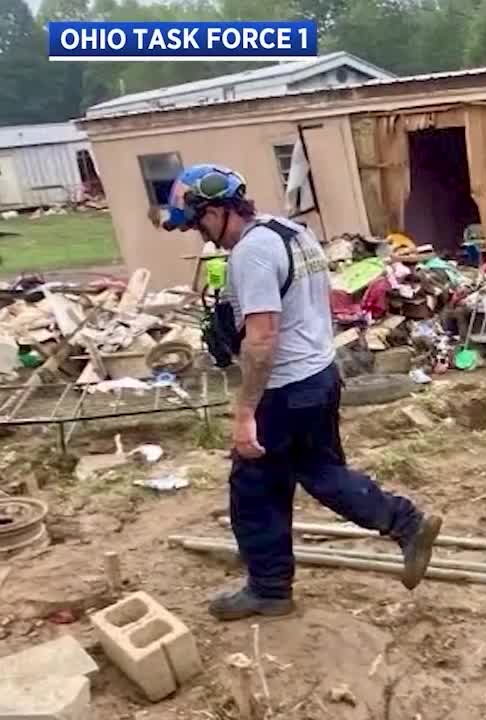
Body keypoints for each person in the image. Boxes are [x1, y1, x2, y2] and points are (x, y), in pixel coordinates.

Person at [161, 163, 444, 621]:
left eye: (199, 223)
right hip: (319, 374)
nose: (202, 235)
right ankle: (405, 522)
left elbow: (263, 336)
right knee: (321, 472)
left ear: (215, 210)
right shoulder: (292, 232)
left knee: (254, 489)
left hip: (284, 388)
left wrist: (246, 410)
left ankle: (270, 589)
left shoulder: (250, 253)